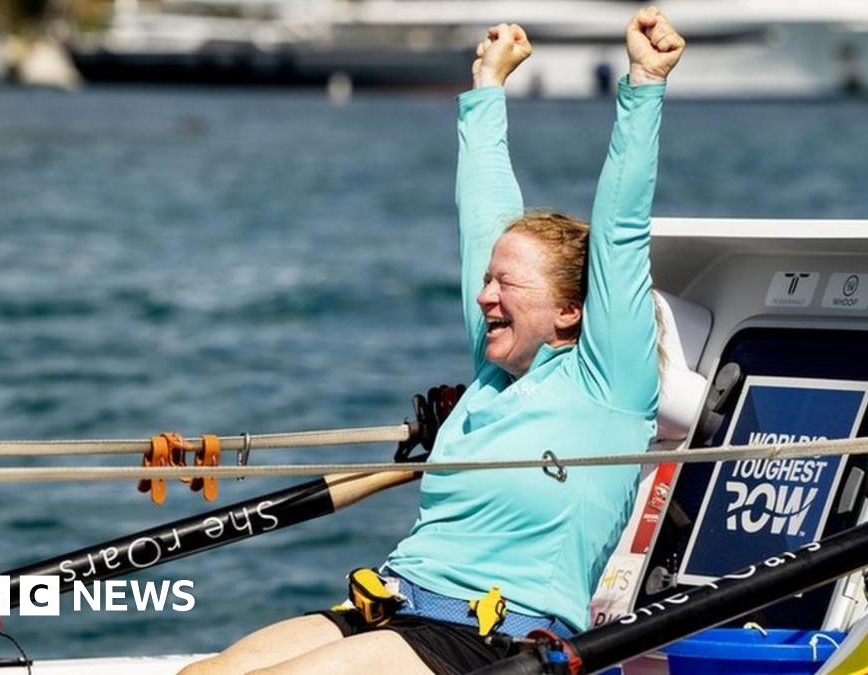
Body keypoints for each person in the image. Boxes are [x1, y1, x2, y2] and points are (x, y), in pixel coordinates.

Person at [181, 7, 684, 674]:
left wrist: (644, 83)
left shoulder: (608, 382)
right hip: (393, 601)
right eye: (485, 282)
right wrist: (486, 90)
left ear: (569, 311)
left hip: (492, 637)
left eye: (507, 285)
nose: (485, 297)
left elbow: (619, 230)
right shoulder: (496, 369)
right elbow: (482, 216)